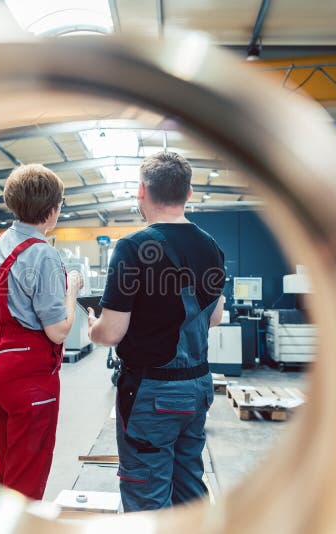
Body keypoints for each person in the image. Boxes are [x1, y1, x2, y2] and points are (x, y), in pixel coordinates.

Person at [87, 151, 226, 511]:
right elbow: (214, 318)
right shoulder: (212, 247)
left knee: (147, 494)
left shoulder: (132, 247)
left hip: (152, 393)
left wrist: (93, 329)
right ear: (189, 193)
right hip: (197, 387)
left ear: (142, 191)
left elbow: (112, 332)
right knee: (188, 490)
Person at [0, 163, 83, 500]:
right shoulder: (44, 255)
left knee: (5, 466)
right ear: (52, 212)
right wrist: (72, 291)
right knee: (25, 478)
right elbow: (58, 331)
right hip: (26, 373)